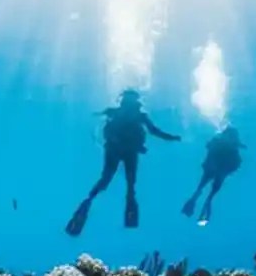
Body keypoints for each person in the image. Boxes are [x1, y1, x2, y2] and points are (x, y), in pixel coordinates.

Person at [65, 89, 181, 235]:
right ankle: (123, 200)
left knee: (107, 180)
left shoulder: (114, 112)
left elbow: (95, 123)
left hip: (115, 149)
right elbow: (154, 131)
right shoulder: (139, 115)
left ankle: (89, 200)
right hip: (129, 150)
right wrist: (172, 138)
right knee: (129, 182)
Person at [182, 125, 245, 225]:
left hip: (214, 168)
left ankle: (198, 201)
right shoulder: (230, 142)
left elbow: (209, 146)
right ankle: (204, 203)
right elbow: (237, 158)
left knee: (202, 187)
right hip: (220, 168)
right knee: (211, 191)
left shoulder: (219, 139)